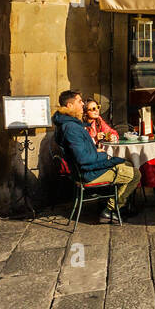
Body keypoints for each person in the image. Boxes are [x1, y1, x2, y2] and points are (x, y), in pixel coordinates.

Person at [52, 90, 140, 223]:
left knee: (127, 164)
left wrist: (97, 153)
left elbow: (82, 152)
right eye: (79, 101)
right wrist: (106, 157)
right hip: (88, 173)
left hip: (88, 169)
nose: (82, 104)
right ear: (69, 106)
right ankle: (110, 210)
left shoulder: (70, 124)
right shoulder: (71, 128)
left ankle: (121, 205)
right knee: (136, 174)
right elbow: (83, 159)